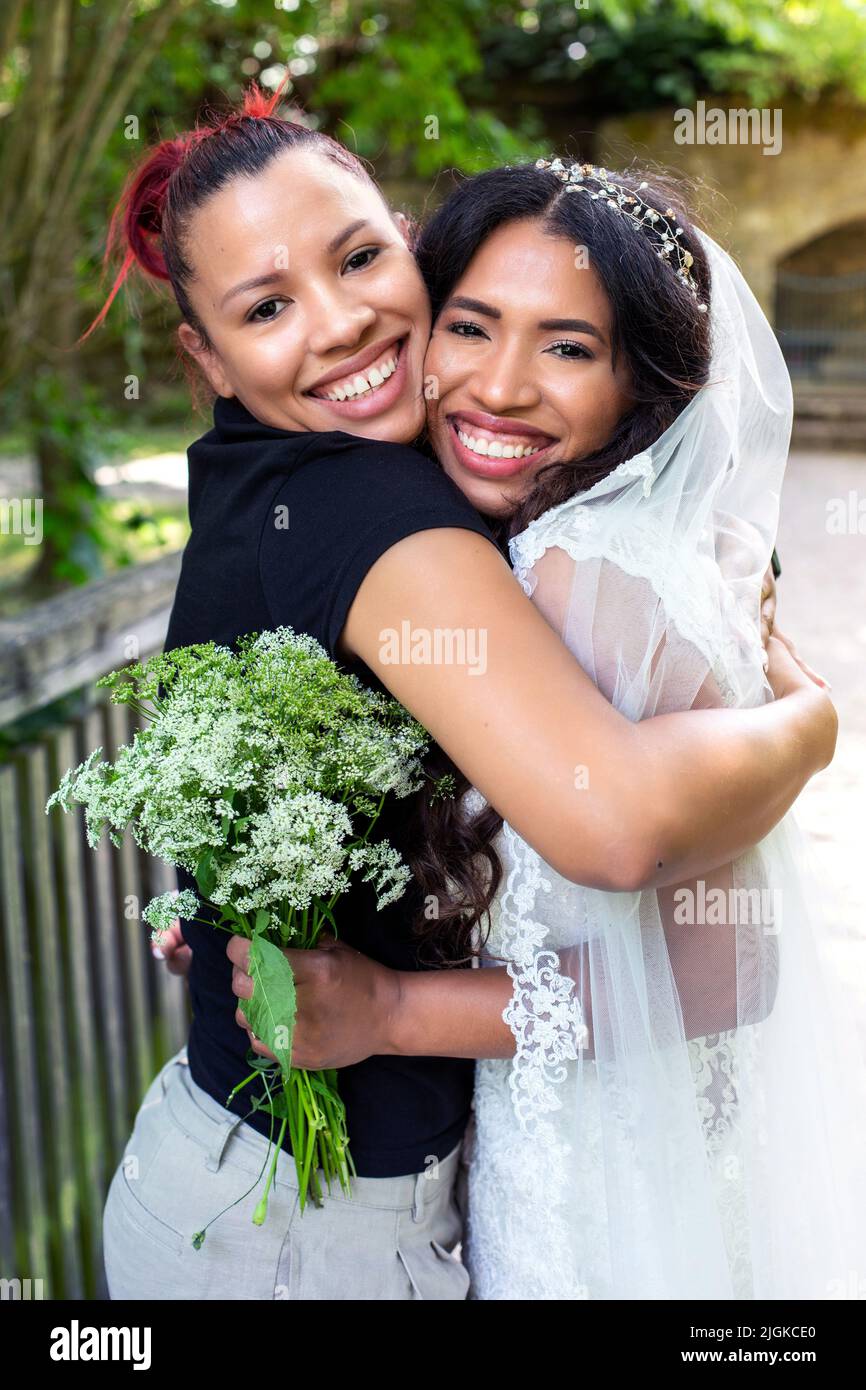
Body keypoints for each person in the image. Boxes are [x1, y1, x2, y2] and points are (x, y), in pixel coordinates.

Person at [84, 78, 835, 1300]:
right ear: (204, 355)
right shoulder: (372, 509)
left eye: (360, 258)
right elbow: (617, 823)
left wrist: (261, 913)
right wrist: (809, 725)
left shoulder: (280, 473)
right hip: (302, 1225)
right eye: (268, 305)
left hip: (266, 1185)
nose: (337, 325)